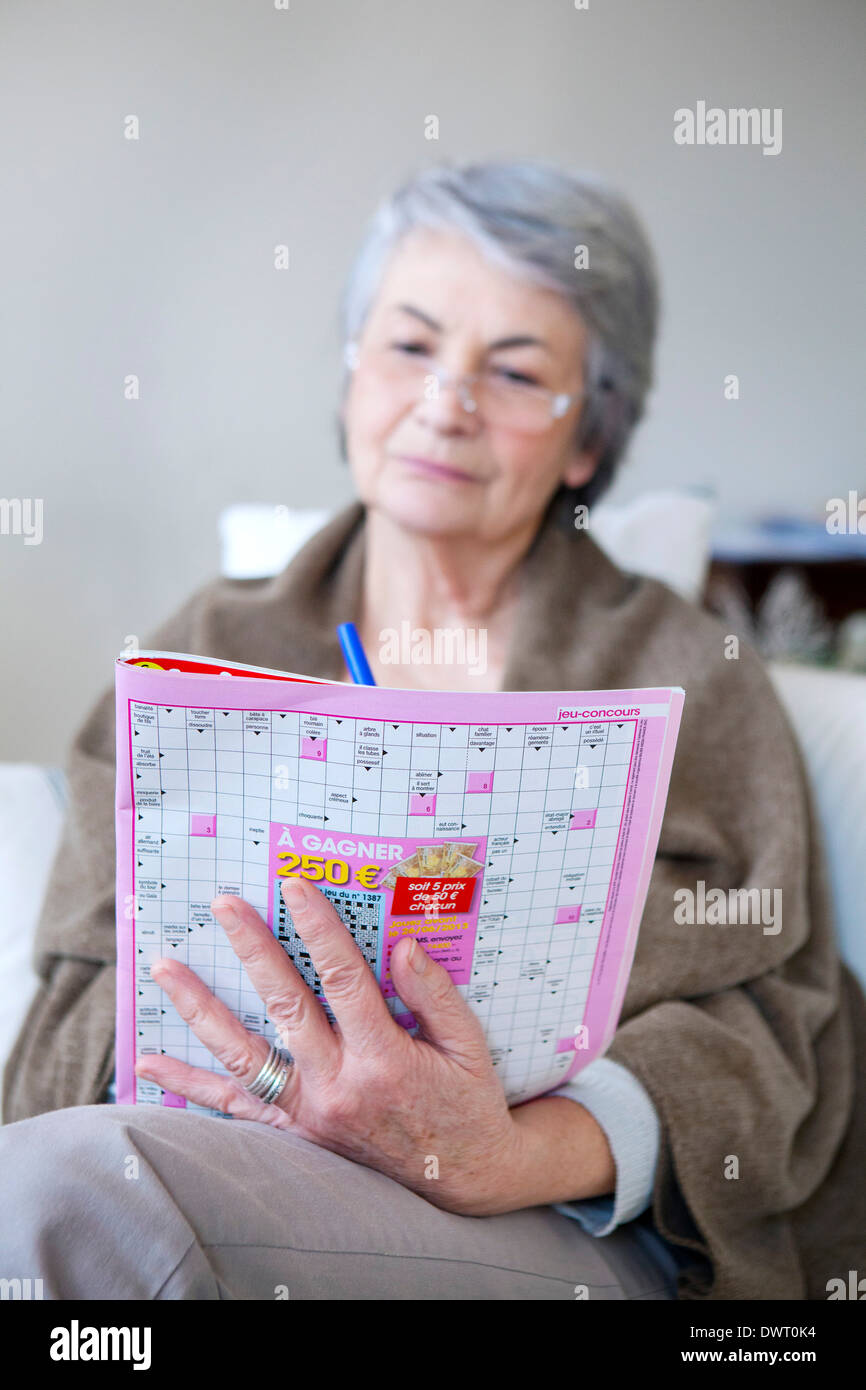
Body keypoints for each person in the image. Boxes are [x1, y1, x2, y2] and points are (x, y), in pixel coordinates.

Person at [2, 161, 865, 1302]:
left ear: (584, 442)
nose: (445, 401)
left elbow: (773, 1023)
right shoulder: (206, 643)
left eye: (513, 372)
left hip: (549, 1217)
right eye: (409, 346)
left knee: (69, 1195)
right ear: (355, 372)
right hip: (232, 1151)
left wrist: (501, 1151)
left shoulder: (679, 671)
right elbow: (83, 971)